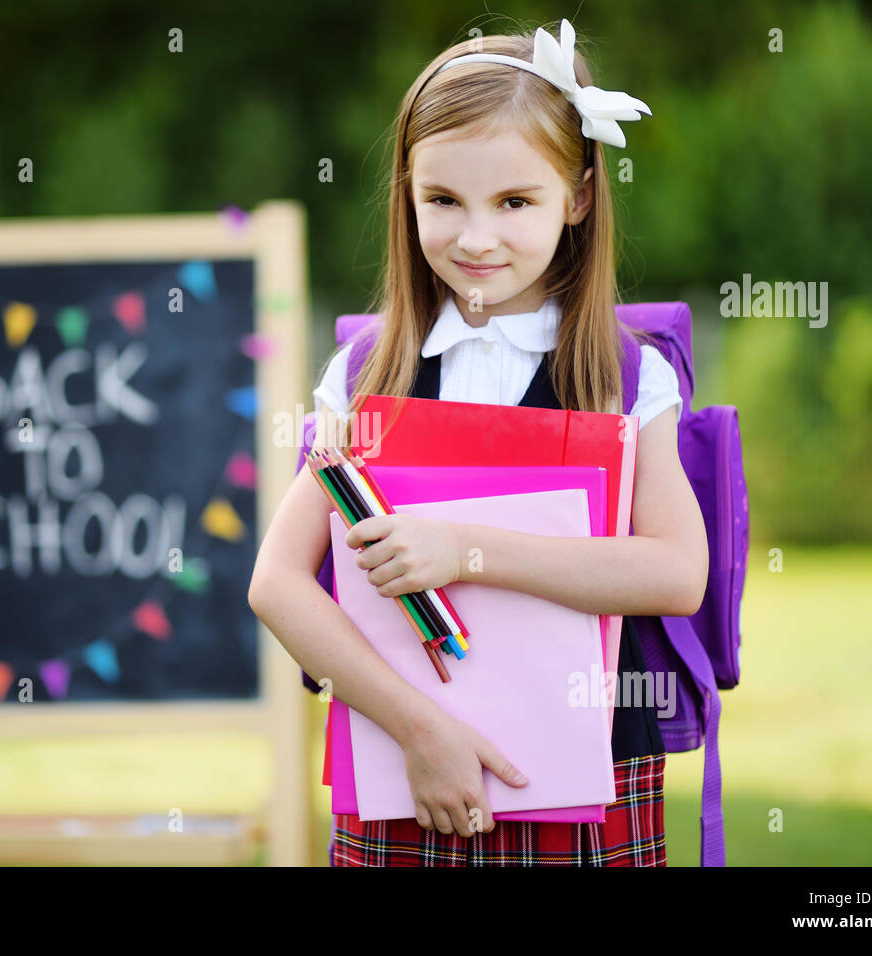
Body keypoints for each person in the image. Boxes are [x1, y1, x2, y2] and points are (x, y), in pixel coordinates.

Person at [247, 20, 708, 866]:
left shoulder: (623, 376)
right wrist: (420, 730)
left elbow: (676, 574)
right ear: (407, 194)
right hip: (400, 770)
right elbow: (276, 582)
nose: (476, 238)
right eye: (444, 200)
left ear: (577, 198)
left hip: (588, 774)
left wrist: (464, 551)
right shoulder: (363, 378)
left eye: (515, 202)